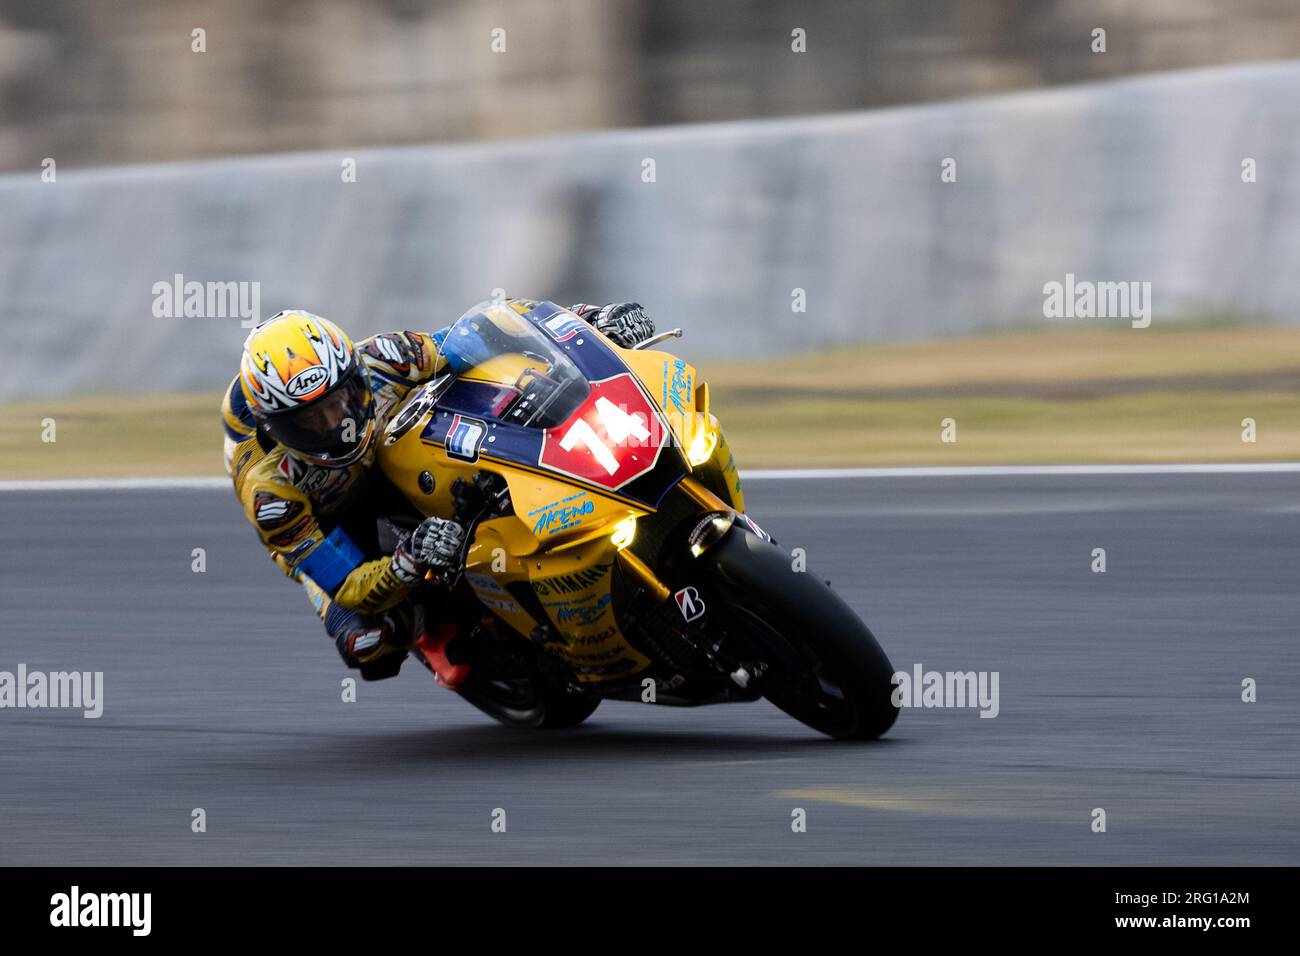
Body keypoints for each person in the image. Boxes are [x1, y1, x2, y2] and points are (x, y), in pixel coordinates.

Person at [222, 300, 654, 681]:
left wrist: (590, 322)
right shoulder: (271, 493)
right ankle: (438, 629)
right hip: (333, 518)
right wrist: (406, 563)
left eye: (343, 399)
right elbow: (348, 585)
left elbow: (484, 333)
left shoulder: (382, 359)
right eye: (311, 420)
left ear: (354, 371)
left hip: (395, 457)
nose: (338, 422)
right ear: (277, 429)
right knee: (369, 644)